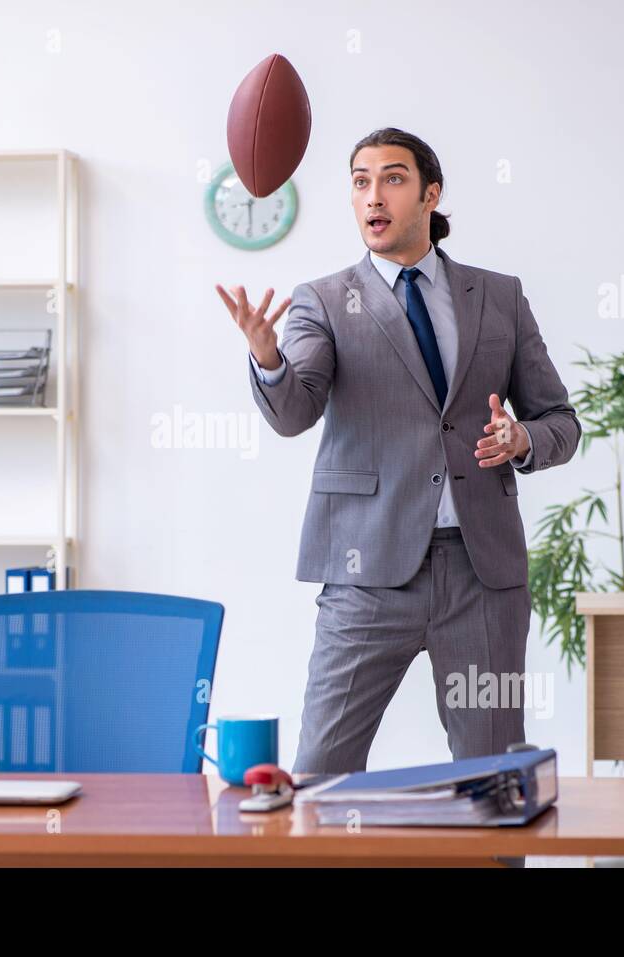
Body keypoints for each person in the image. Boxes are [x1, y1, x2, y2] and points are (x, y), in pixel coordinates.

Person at [215, 127, 581, 772]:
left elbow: (560, 421)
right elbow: (294, 412)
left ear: (430, 195)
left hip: (482, 577)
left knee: (494, 780)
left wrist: (523, 438)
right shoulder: (323, 300)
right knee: (323, 772)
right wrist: (267, 357)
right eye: (360, 182)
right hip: (365, 575)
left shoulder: (499, 296)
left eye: (392, 178)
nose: (372, 196)